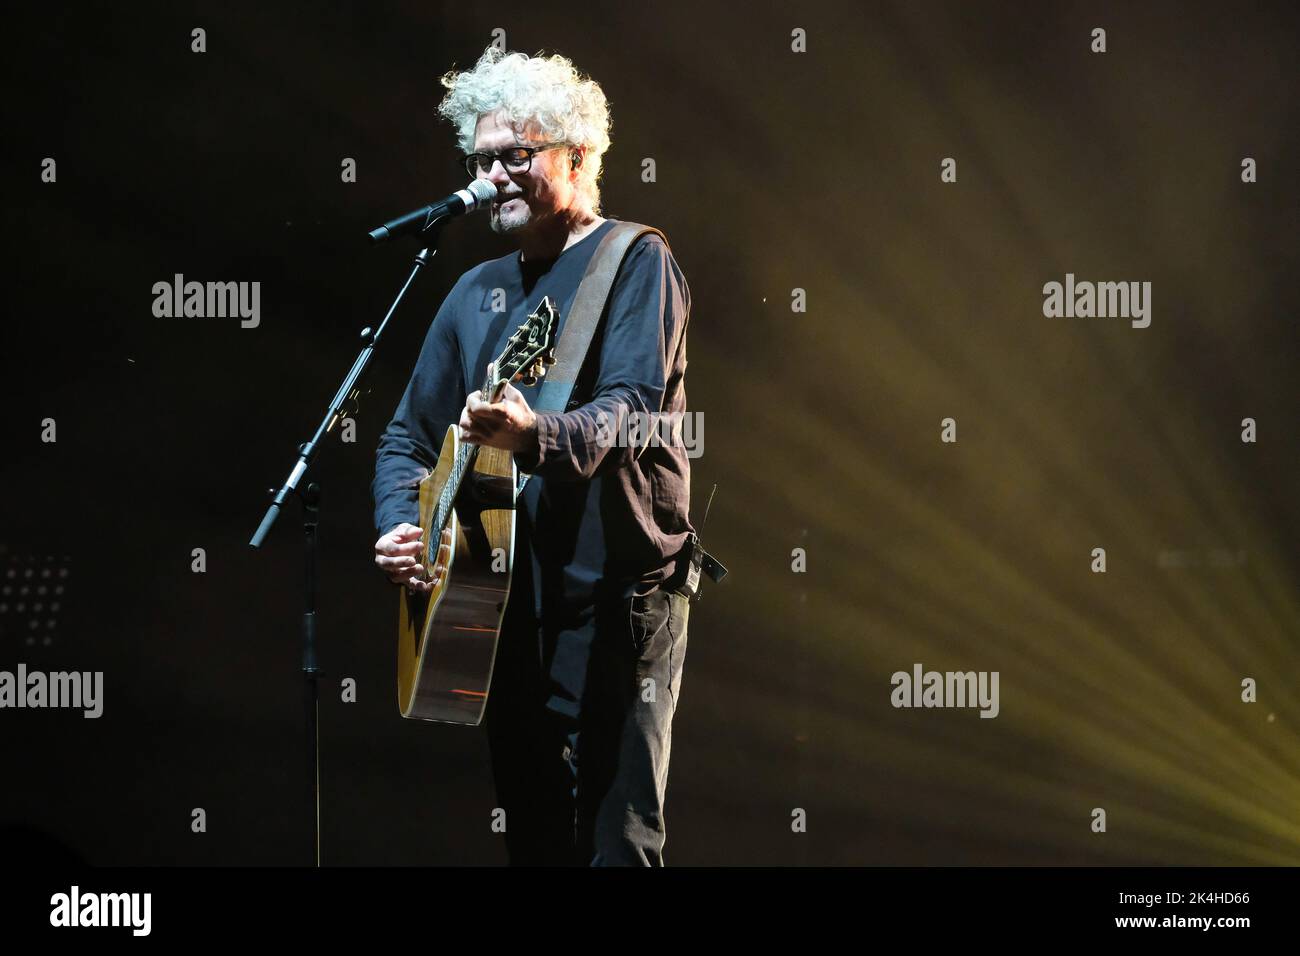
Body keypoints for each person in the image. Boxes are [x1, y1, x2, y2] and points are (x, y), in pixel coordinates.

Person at [371, 46, 695, 866]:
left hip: (616, 599)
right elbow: (407, 438)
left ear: (578, 155)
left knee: (617, 841)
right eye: (481, 161)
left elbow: (630, 413)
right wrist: (404, 525)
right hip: (501, 601)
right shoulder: (474, 289)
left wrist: (535, 435)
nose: (492, 178)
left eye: (516, 155)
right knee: (535, 839)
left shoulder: (634, 261)